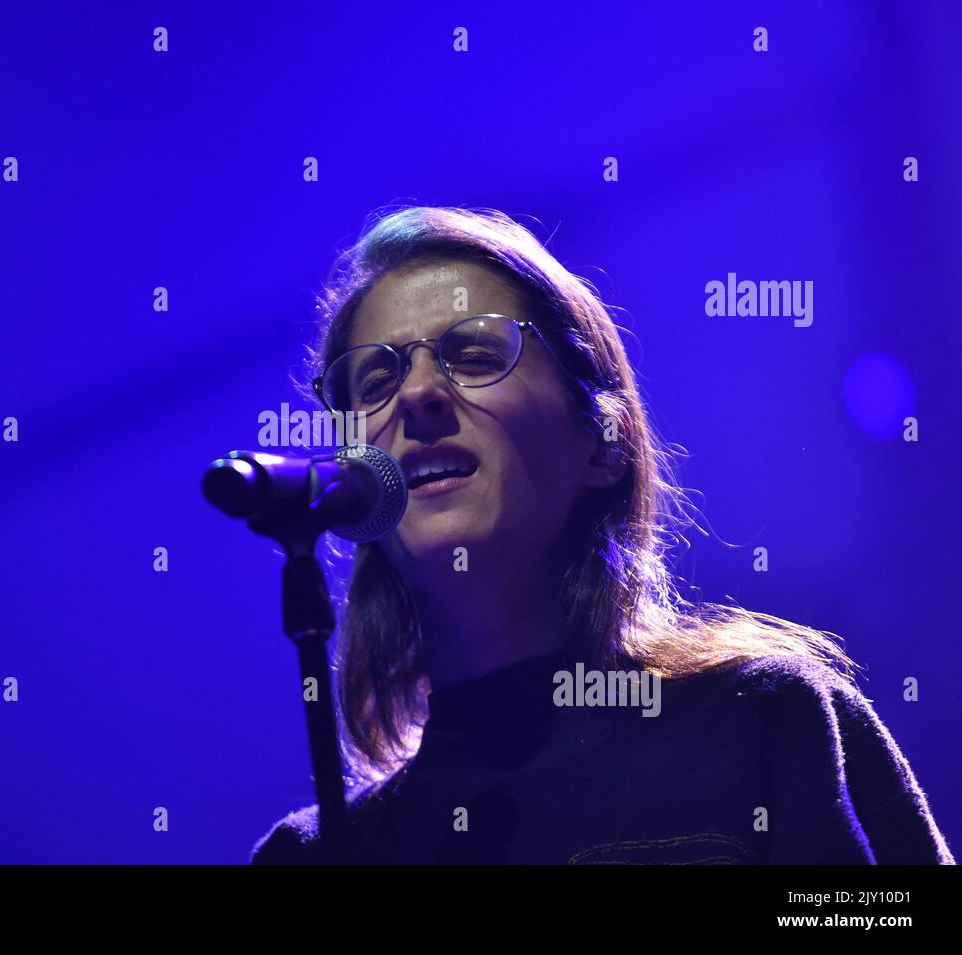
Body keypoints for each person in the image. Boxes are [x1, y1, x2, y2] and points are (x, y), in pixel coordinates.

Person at [248, 205, 954, 865]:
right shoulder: (321, 854)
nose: (417, 394)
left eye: (473, 354)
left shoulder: (763, 722)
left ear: (602, 442)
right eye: (375, 378)